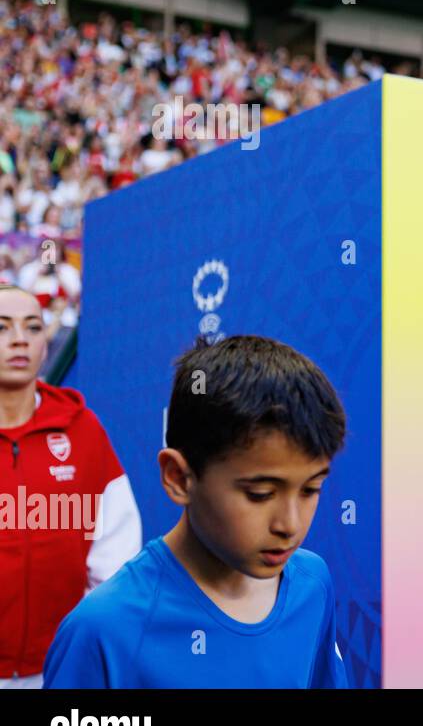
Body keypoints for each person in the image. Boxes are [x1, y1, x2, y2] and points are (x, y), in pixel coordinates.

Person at [42, 335, 351, 688]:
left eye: (311, 489)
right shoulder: (102, 631)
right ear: (178, 477)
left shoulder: (312, 584)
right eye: (260, 494)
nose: (290, 524)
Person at [0, 285, 141, 688]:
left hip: (61, 667)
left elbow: (114, 554)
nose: (20, 339)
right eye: (2, 327)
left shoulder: (82, 430)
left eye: (33, 327)